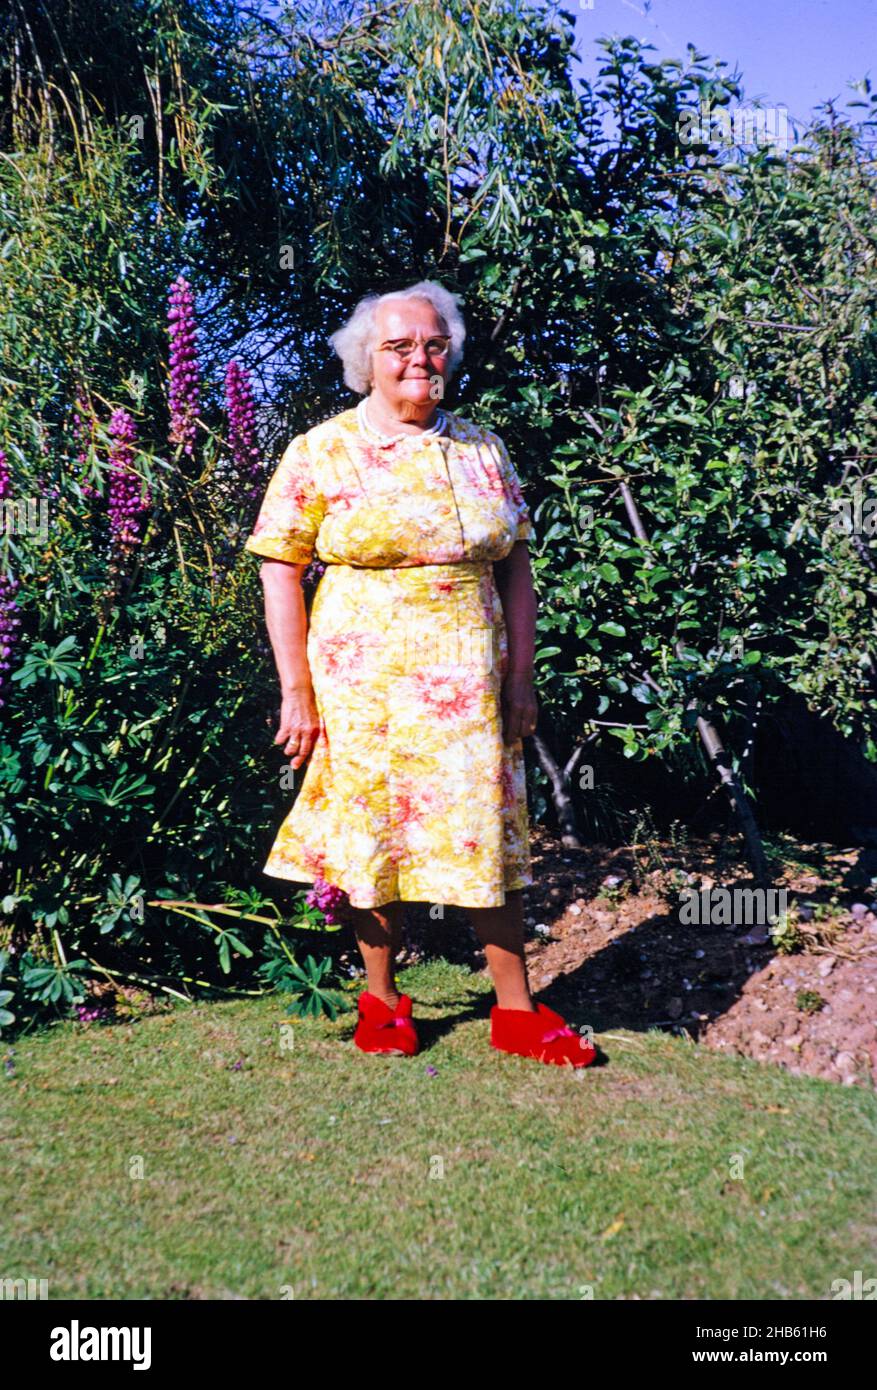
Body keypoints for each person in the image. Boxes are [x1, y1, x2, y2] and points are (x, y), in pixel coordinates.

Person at [245, 279, 594, 1068]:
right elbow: (278, 570)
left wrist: (521, 680)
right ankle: (382, 1004)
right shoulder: (320, 449)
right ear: (364, 360)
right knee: (373, 837)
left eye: (433, 344)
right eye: (399, 347)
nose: (418, 359)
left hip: (469, 686)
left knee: (482, 831)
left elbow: (516, 568)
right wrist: (296, 691)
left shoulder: (481, 447)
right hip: (360, 686)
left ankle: (516, 1011)